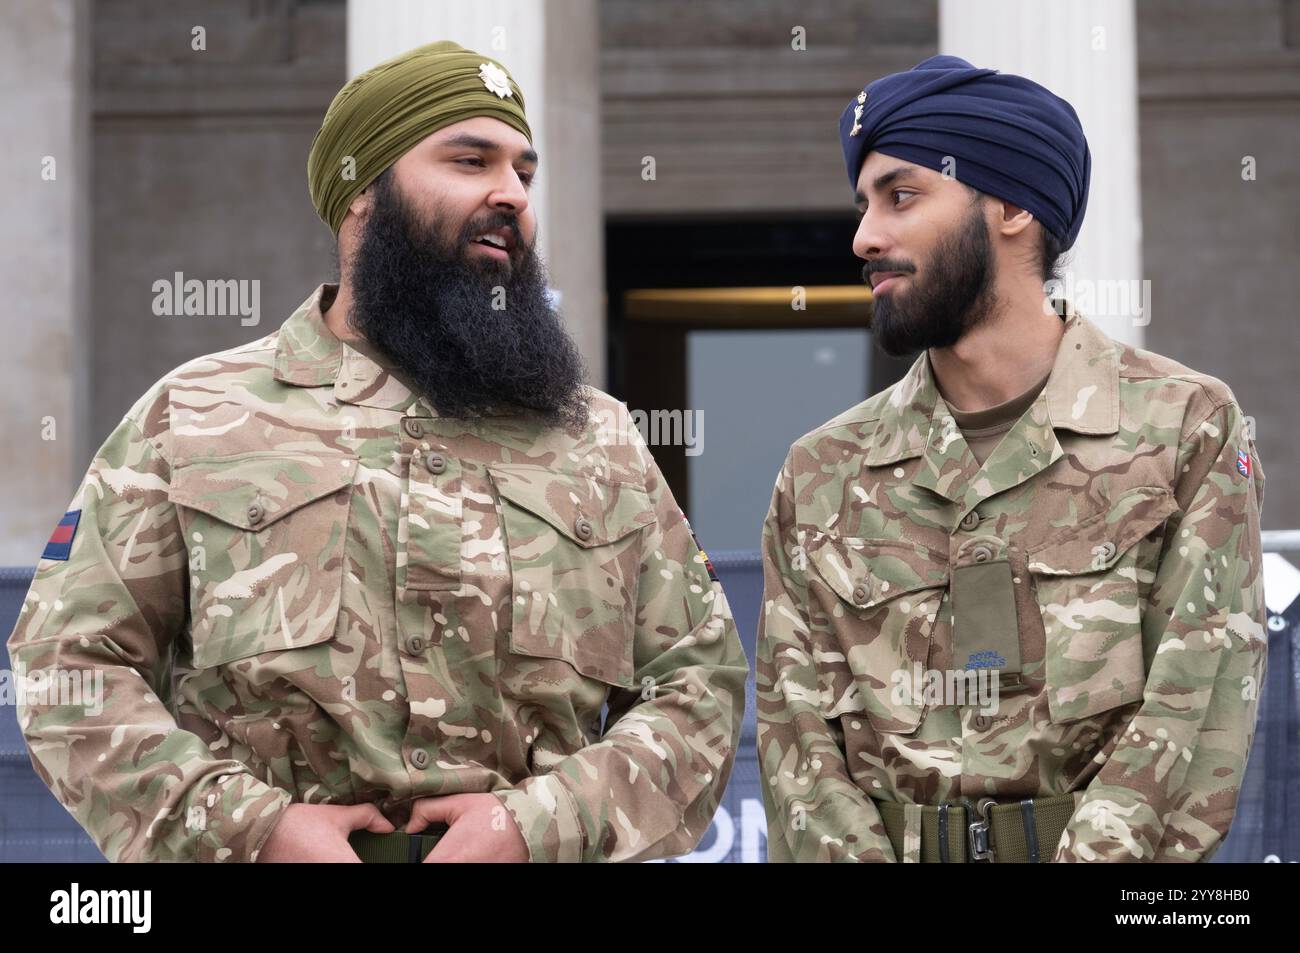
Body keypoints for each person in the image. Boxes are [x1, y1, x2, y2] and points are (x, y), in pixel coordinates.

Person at [8, 40, 747, 863]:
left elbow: (700, 686)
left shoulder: (597, 439)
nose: (511, 195)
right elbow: (67, 664)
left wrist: (539, 825)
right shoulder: (193, 417)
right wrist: (251, 830)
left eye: (524, 173)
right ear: (362, 193)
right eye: (471, 160)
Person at [756, 55, 1266, 862]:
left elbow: (1194, 709)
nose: (864, 237)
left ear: (1013, 206)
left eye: (902, 195)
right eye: (864, 204)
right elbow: (797, 744)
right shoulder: (823, 472)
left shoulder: (1183, 429)